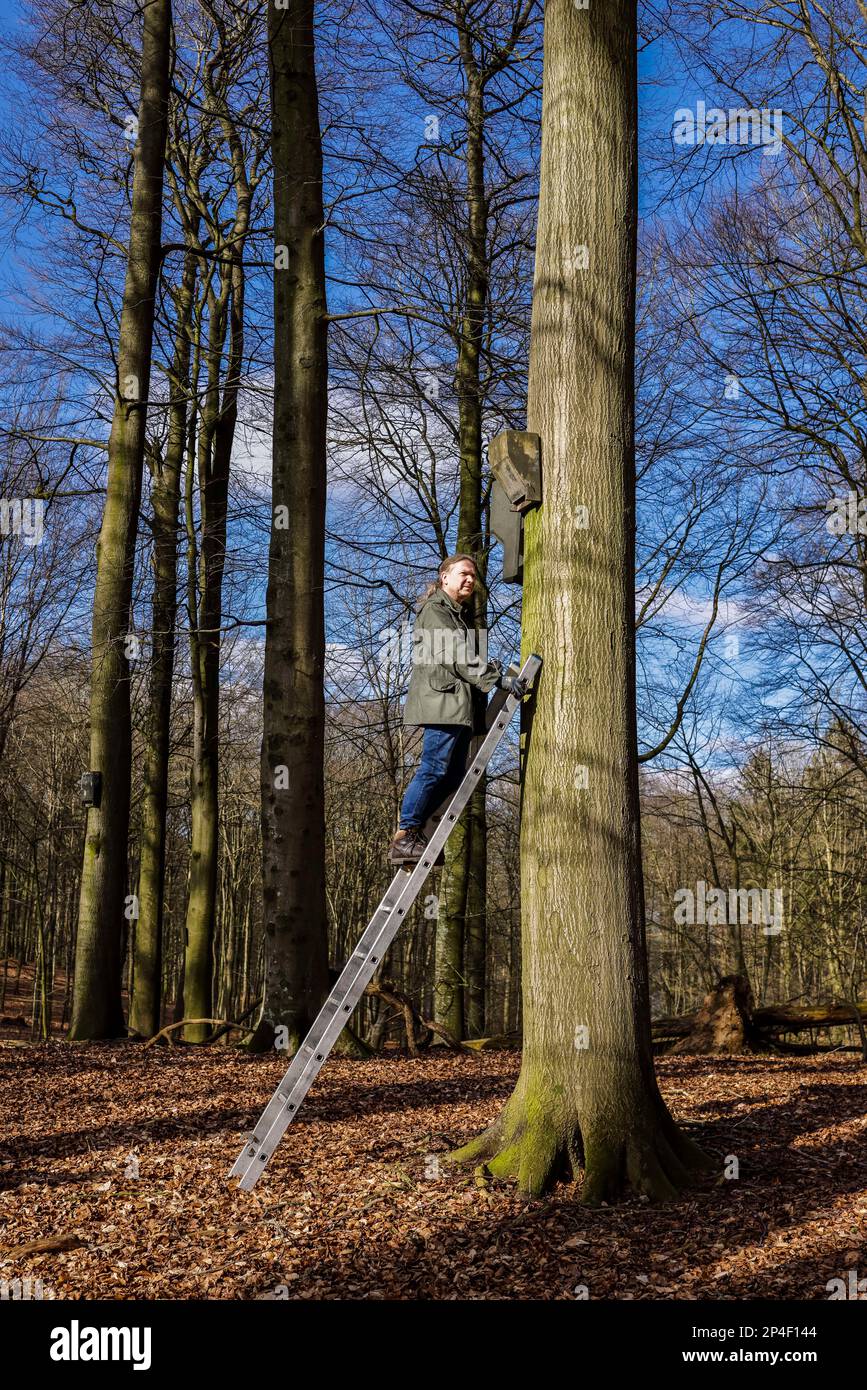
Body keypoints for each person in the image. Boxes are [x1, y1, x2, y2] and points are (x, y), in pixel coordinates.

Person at [388, 553, 528, 865]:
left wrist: (496, 671)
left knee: (452, 777)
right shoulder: (436, 609)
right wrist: (496, 680)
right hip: (443, 703)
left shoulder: (456, 615)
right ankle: (405, 834)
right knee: (434, 769)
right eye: (463, 573)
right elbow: (455, 653)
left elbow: (463, 653)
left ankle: (412, 834)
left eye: (473, 576)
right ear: (444, 577)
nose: (469, 580)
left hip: (457, 706)